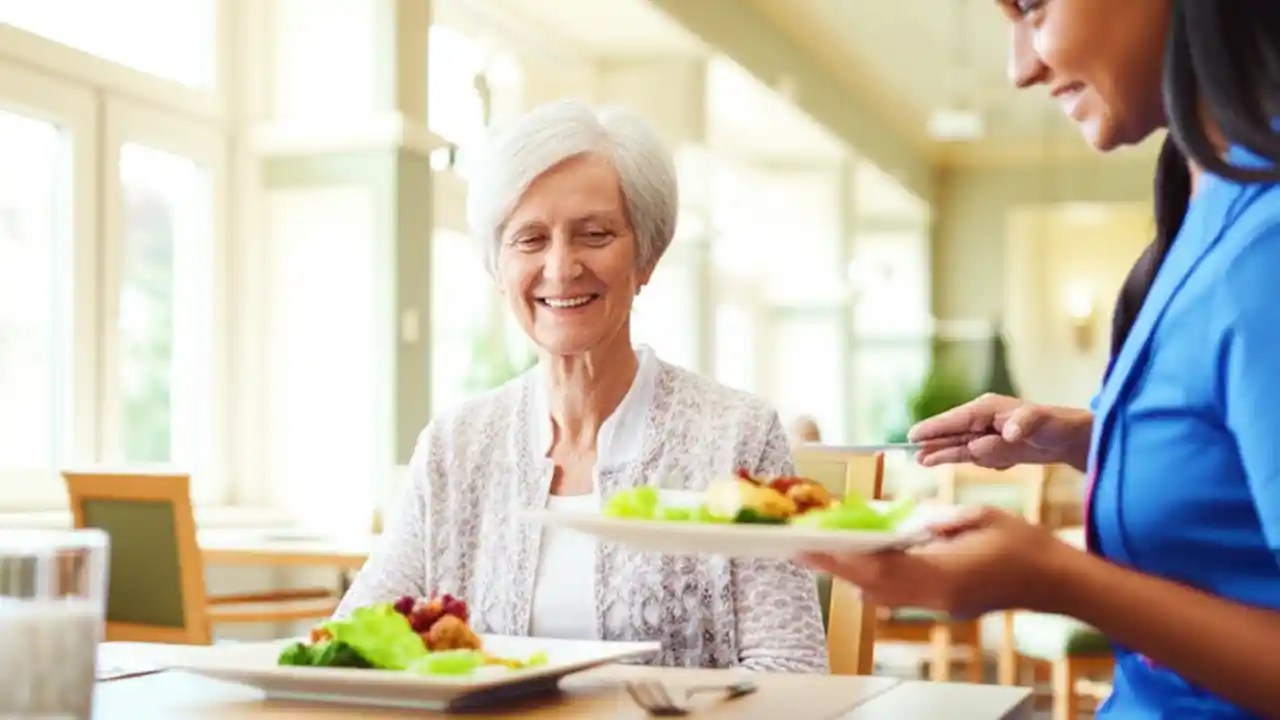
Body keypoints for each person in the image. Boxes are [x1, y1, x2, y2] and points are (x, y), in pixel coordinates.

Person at [800, 1, 1280, 716]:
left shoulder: (1264, 248)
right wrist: (1090, 437)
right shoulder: (1206, 213)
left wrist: (1056, 577)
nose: (1021, 66)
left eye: (1033, 7)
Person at [338, 100, 827, 673]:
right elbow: (351, 643)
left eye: (593, 234)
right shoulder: (455, 445)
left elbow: (792, 668)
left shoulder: (738, 435)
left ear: (646, 256)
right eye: (530, 239)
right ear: (498, 268)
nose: (561, 266)